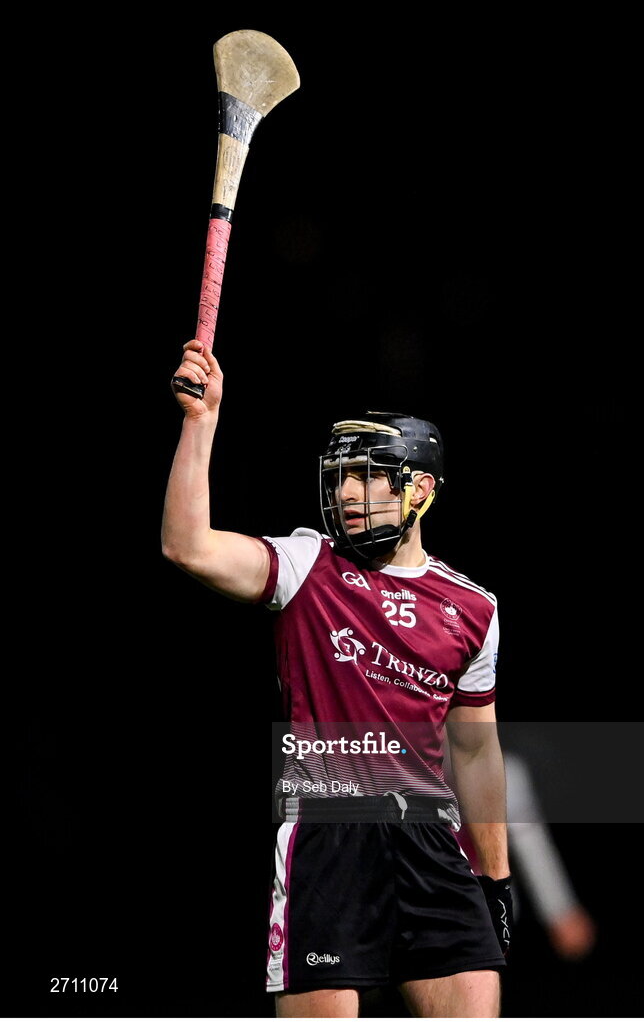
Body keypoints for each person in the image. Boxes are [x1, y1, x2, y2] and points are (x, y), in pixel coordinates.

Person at [162, 340, 513, 1019]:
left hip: (432, 846)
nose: (347, 493)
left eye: (372, 475)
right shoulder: (306, 567)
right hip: (329, 840)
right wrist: (200, 423)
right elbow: (188, 545)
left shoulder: (474, 608)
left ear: (422, 489)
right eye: (341, 476)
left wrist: (495, 879)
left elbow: (475, 752)